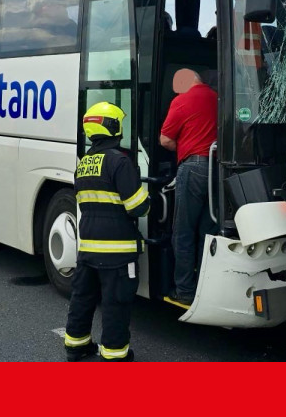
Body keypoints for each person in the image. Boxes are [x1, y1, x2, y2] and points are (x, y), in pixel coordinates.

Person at [63, 102, 150, 362]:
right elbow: (137, 207)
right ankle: (114, 354)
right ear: (114, 127)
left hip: (88, 246)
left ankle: (76, 346)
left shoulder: (84, 163)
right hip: (117, 251)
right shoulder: (120, 162)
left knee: (83, 297)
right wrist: (149, 200)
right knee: (115, 302)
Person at [158, 68, 218, 306]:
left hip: (193, 167)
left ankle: (185, 290)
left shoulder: (182, 100)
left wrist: (183, 146)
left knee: (182, 232)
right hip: (218, 169)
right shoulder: (216, 97)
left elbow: (165, 139)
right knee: (207, 230)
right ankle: (207, 286)